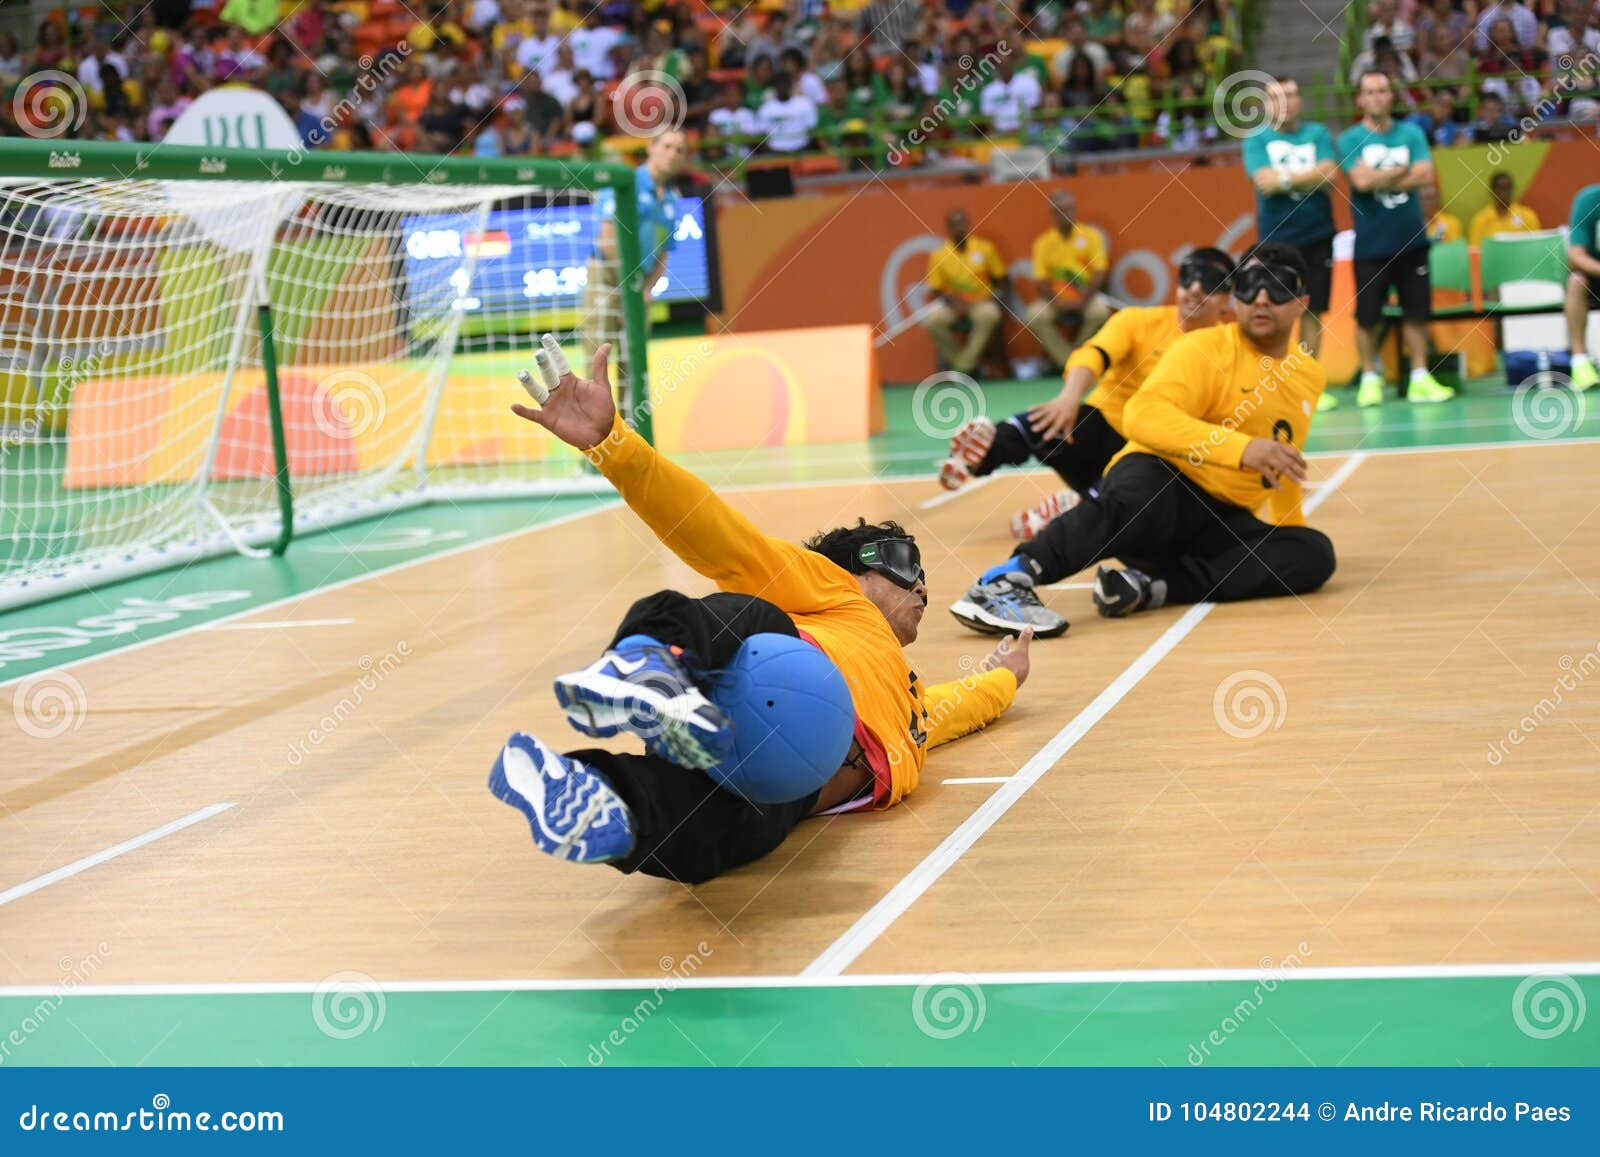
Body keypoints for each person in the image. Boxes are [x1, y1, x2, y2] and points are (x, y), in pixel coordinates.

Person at [490, 339, 1030, 883]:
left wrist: (1003, 680)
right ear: (855, 571)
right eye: (904, 565)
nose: (921, 589)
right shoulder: (833, 593)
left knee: (728, 832)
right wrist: (614, 445)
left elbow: (956, 709)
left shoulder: (909, 698)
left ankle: (595, 797)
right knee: (749, 614)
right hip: (743, 680)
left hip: (787, 782)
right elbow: (727, 540)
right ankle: (647, 662)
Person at [947, 242, 1335, 639]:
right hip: (1163, 479)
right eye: (1250, 286)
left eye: (1279, 287)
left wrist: (1286, 532)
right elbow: (1143, 414)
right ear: (1235, 298)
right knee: (1139, 495)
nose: (1262, 299)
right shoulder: (1201, 346)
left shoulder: (1308, 375)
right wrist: (1240, 448)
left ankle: (1151, 587)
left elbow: (1283, 463)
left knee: (1313, 553)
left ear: (1302, 301)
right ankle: (1005, 580)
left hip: (1219, 520)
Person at [938, 247, 1237, 541]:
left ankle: (1076, 509)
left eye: (1211, 283)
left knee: (1153, 490)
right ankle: (977, 456)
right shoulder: (1137, 321)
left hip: (1158, 453)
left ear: (1228, 301)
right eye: (1188, 277)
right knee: (1052, 419)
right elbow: (1093, 354)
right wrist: (1068, 398)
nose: (1196, 289)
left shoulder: (1228, 351)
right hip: (1105, 428)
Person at [1339, 70, 1454, 407]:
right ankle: (1370, 379)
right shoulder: (1349, 139)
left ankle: (1420, 377)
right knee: (1368, 316)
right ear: (1360, 99)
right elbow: (1360, 182)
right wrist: (1402, 173)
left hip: (1412, 239)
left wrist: (1380, 178)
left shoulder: (1412, 133)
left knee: (1416, 312)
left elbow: (1425, 175)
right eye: (1369, 91)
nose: (1376, 96)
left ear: (1392, 96)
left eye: (1383, 90)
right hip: (1371, 243)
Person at [581, 129, 687, 407]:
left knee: (633, 364)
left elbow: (664, 250)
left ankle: (631, 434)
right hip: (607, 277)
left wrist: (647, 287)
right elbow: (607, 237)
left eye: (679, 149)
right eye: (667, 146)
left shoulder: (671, 201)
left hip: (639, 287)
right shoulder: (624, 182)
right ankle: (595, 439)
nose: (672, 154)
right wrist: (629, 285)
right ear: (651, 147)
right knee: (598, 358)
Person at [1243, 77, 1338, 376]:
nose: (1285, 102)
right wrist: (1311, 177)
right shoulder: (1256, 139)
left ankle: (1305, 380)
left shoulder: (1318, 133)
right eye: (1277, 97)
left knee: (1313, 309)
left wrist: (1283, 178)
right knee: (1272, 310)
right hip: (1277, 241)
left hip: (1318, 234)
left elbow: (1330, 175)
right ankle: (1273, 379)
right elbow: (1264, 182)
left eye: (1292, 95)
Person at [1024, 190, 1113, 369]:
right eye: (1060, 210)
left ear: (1075, 210)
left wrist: (1083, 300)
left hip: (1085, 296)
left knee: (1099, 313)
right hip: (1056, 299)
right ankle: (1070, 362)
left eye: (1070, 209)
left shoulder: (1091, 236)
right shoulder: (1043, 243)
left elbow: (1100, 272)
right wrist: (1057, 302)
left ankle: (1074, 355)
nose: (1066, 214)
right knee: (1035, 315)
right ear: (1053, 214)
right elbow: (1041, 281)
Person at [922, 208, 1009, 378]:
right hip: (954, 304)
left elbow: (1002, 279)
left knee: (990, 314)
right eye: (954, 225)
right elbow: (935, 289)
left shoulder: (985, 248)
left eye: (962, 223)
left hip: (981, 301)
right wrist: (953, 302)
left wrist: (994, 297)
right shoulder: (939, 255)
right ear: (948, 228)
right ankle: (968, 367)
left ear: (968, 224)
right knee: (933, 320)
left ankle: (962, 368)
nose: (959, 228)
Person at [1566, 182, 1600, 391]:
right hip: (1594, 277)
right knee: (1576, 281)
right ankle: (1580, 364)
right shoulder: (1588, 200)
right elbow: (1575, 255)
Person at [1468, 171, 1542, 247]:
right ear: (1492, 191)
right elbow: (1476, 250)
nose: (1504, 193)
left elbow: (1536, 245)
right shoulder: (1480, 220)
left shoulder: (1528, 216)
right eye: (1500, 189)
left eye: (1507, 188)